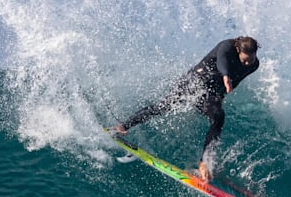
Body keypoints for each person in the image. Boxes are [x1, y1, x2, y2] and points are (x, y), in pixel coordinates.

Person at [112, 36, 261, 181]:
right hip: (193, 83)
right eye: (245, 59)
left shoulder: (253, 65)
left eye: (251, 59)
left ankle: (204, 163)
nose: (248, 63)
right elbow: (223, 62)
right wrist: (225, 76)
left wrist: (222, 93)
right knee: (163, 107)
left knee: (219, 118)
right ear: (237, 49)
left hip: (210, 93)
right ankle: (123, 126)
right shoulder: (227, 46)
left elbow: (238, 78)